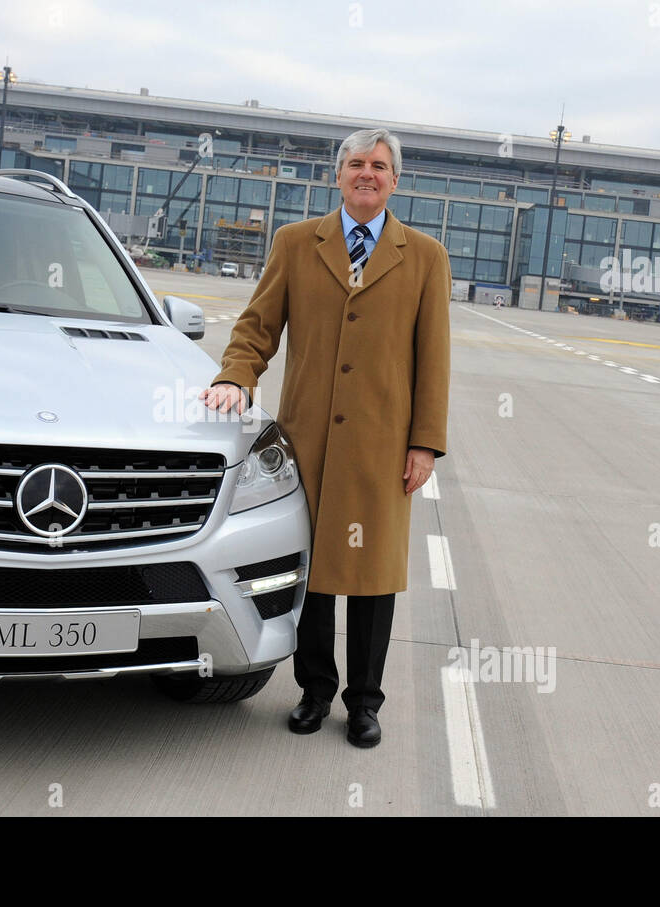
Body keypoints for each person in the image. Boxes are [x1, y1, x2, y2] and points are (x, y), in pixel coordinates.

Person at [200, 127, 451, 748]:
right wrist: (235, 375)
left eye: (380, 166)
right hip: (307, 443)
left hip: (383, 448)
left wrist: (425, 443)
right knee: (310, 573)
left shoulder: (424, 256)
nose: (368, 173)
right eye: (357, 164)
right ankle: (314, 692)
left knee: (370, 578)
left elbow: (434, 359)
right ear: (338, 175)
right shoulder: (294, 244)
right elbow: (258, 326)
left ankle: (364, 702)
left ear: (395, 181)